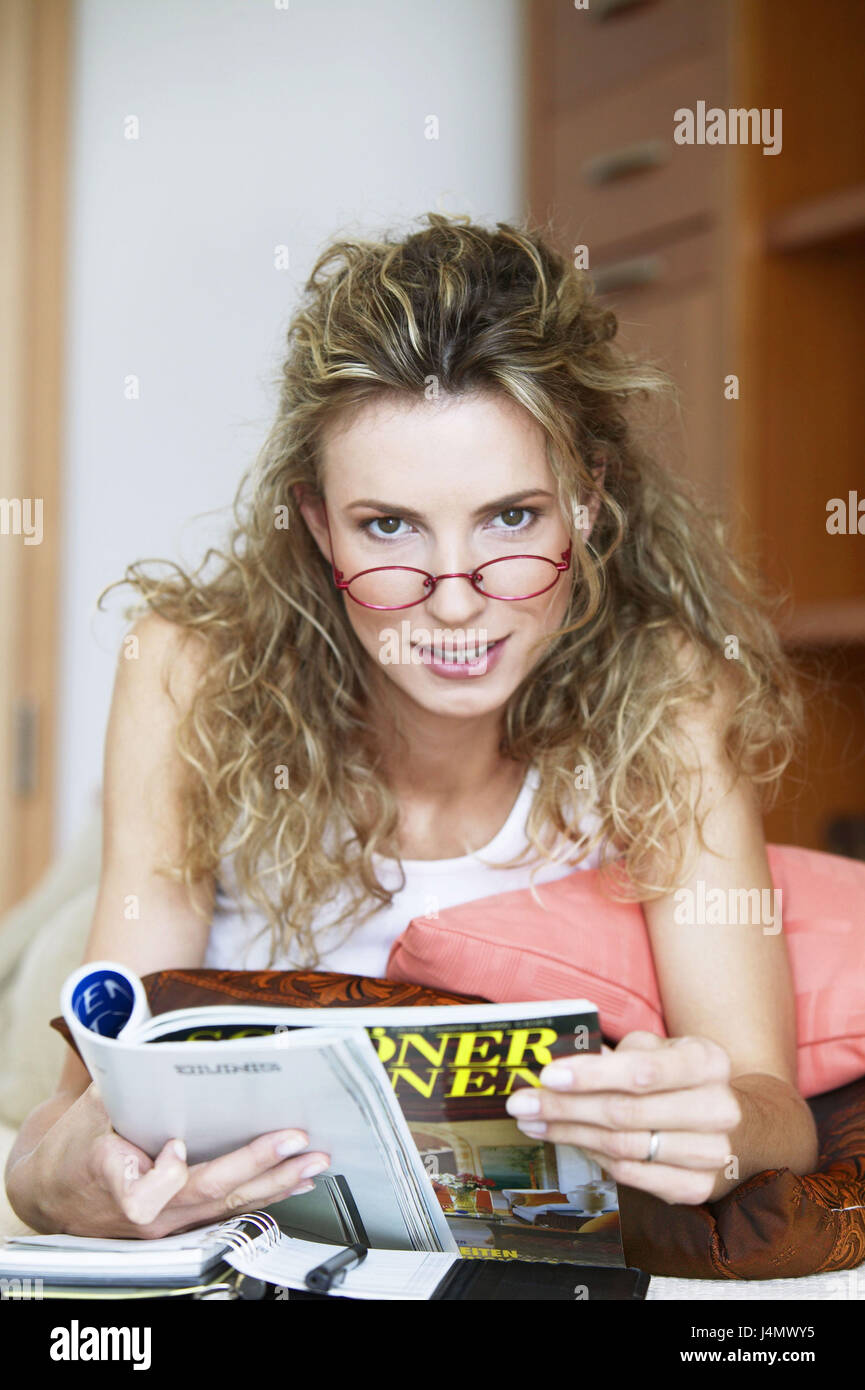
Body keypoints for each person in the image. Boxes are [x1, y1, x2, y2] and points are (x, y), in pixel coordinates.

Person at [5, 212, 818, 1239]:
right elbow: (65, 1124)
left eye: (512, 518)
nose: (453, 601)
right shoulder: (187, 670)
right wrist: (59, 1179)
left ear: (589, 499)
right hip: (175, 852)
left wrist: (719, 1125)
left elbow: (770, 1105)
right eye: (389, 527)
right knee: (38, 975)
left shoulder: (667, 693)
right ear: (315, 523)